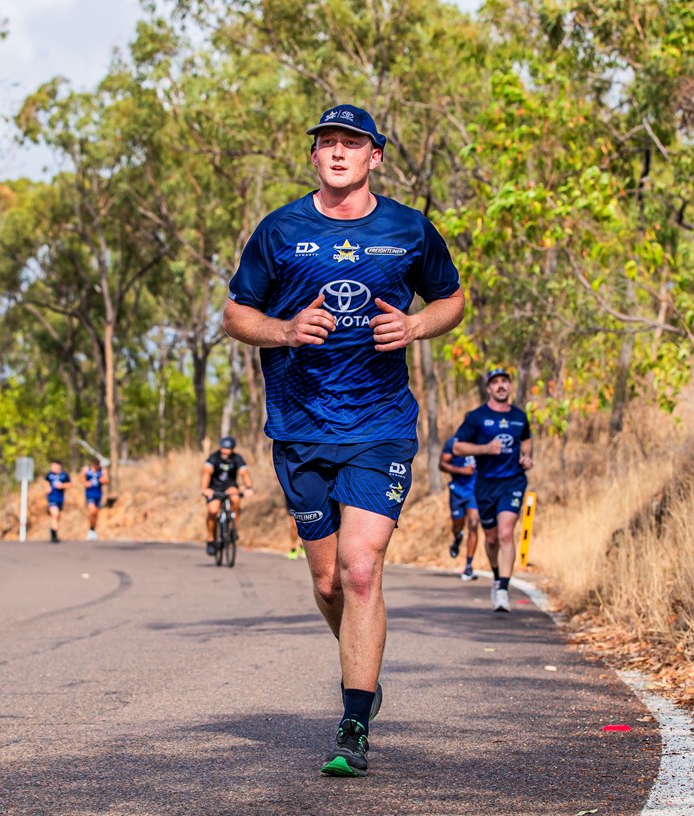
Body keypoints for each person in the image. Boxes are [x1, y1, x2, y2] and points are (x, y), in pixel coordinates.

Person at [223, 103, 464, 777]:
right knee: (329, 581)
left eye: (350, 144)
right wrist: (285, 331)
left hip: (379, 427)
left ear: (374, 157)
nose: (337, 152)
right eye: (326, 142)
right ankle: (365, 670)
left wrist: (416, 328)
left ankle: (354, 719)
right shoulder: (280, 230)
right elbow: (237, 312)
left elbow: (450, 298)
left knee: (362, 569)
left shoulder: (409, 230)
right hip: (299, 430)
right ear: (314, 157)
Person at [451, 369, 533, 612]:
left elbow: (526, 441)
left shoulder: (519, 416)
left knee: (506, 533)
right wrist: (485, 449)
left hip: (513, 482)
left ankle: (503, 590)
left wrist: (527, 457)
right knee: (492, 537)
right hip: (486, 483)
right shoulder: (477, 417)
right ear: (488, 388)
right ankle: (497, 576)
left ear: (509, 386)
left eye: (504, 382)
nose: (500, 386)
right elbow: (458, 447)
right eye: (495, 382)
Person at [201, 436, 254, 555]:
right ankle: (210, 539)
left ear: (232, 449)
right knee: (213, 511)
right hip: (214, 488)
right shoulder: (213, 458)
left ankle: (233, 529)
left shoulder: (237, 458)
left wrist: (248, 488)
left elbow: (244, 474)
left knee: (236, 500)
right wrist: (205, 489)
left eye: (228, 449)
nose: (225, 451)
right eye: (223, 448)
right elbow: (206, 474)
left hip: (230, 487)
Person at [438, 433, 480, 580]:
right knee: (458, 526)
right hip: (457, 491)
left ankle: (468, 566)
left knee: (474, 523)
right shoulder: (454, 443)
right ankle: (457, 538)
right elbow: (442, 465)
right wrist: (462, 471)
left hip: (475, 492)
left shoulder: (484, 443)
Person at [43, 461, 71, 543]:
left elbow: (70, 484)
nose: (52, 468)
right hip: (52, 498)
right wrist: (47, 487)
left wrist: (62, 485)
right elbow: (45, 482)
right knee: (54, 514)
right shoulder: (49, 475)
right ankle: (54, 536)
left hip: (60, 499)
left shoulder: (64, 475)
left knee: (57, 516)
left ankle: (53, 531)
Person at [82, 460, 109, 540]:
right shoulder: (87, 470)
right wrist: (85, 483)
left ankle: (92, 529)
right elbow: (80, 478)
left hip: (98, 495)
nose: (95, 467)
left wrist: (104, 480)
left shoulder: (102, 471)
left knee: (95, 514)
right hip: (89, 494)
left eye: (97, 466)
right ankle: (91, 530)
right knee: (92, 511)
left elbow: (107, 481)